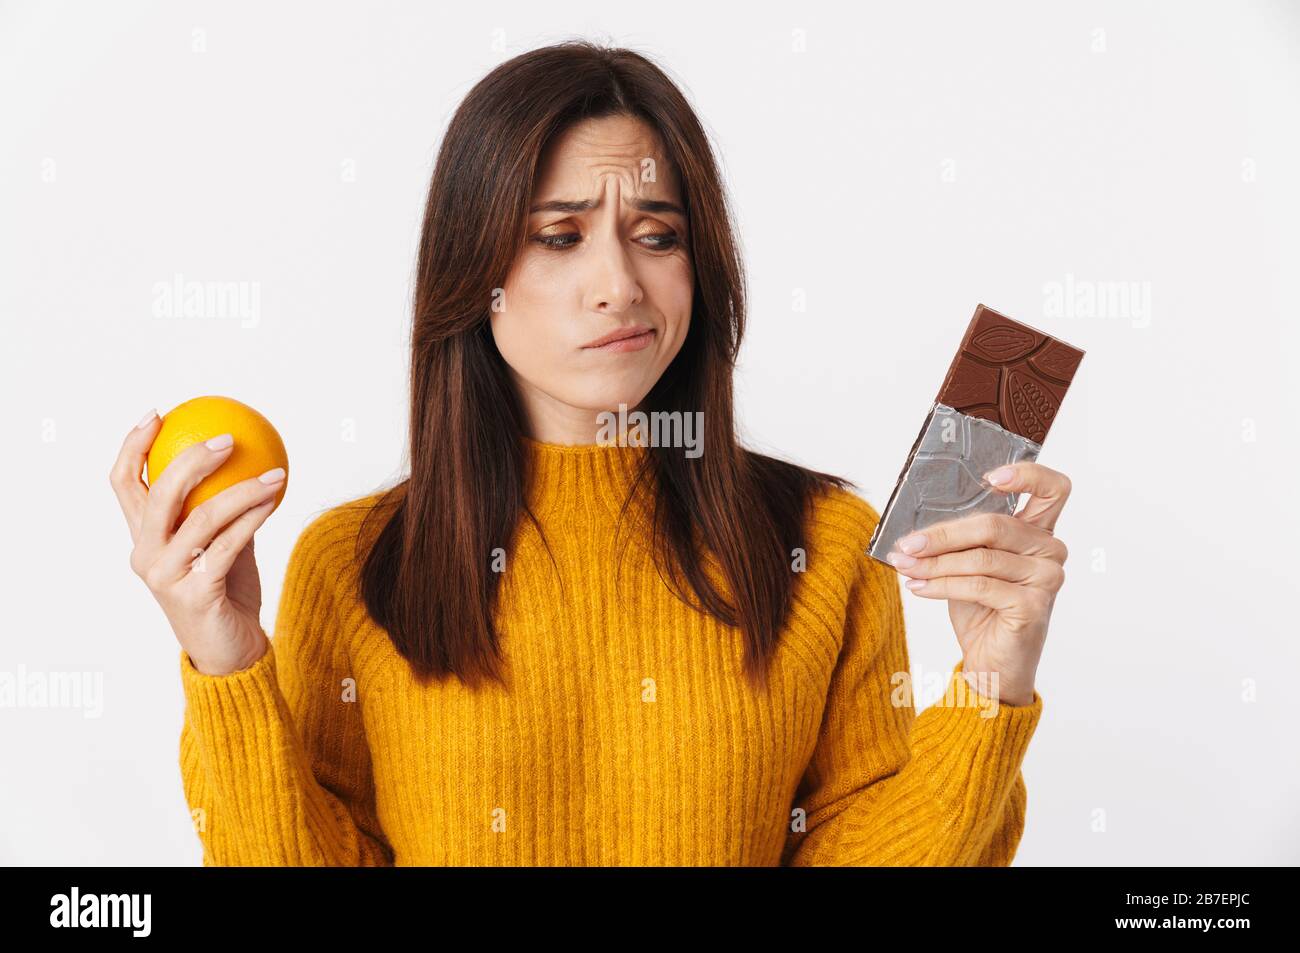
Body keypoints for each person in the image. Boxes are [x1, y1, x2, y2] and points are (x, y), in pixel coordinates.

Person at [109, 40, 1071, 866]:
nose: (618, 283)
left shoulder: (822, 544)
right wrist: (227, 663)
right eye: (558, 237)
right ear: (472, 272)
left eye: (657, 235)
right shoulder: (352, 566)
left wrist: (992, 683)